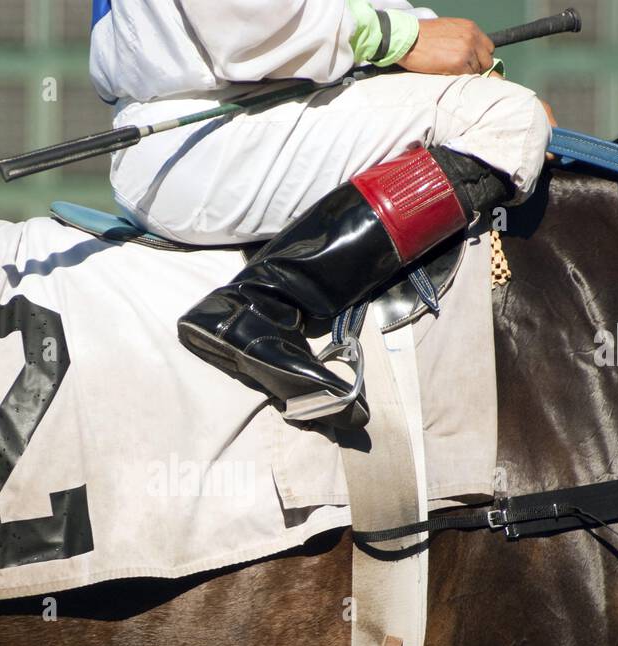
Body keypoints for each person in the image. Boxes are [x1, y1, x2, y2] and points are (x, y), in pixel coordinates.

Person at [90, 2, 553, 428]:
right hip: (209, 129)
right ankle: (260, 305)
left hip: (232, 121)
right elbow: (243, 21)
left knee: (502, 108)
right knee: (510, 117)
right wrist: (404, 37)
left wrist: (471, 69)